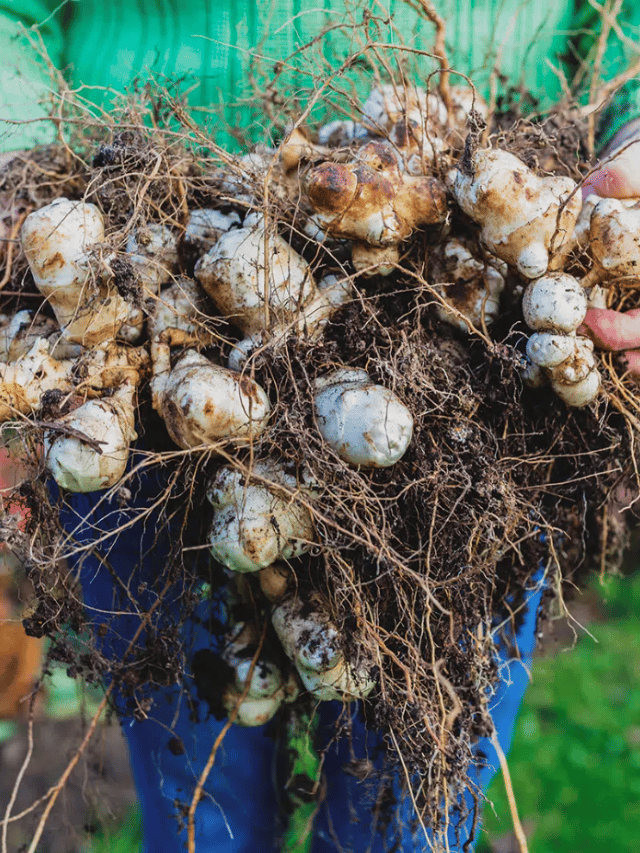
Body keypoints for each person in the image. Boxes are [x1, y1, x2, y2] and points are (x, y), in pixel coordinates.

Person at [1, 2, 640, 851]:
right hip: (132, 263)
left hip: (482, 351)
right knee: (200, 804)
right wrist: (16, 162)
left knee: (412, 801)